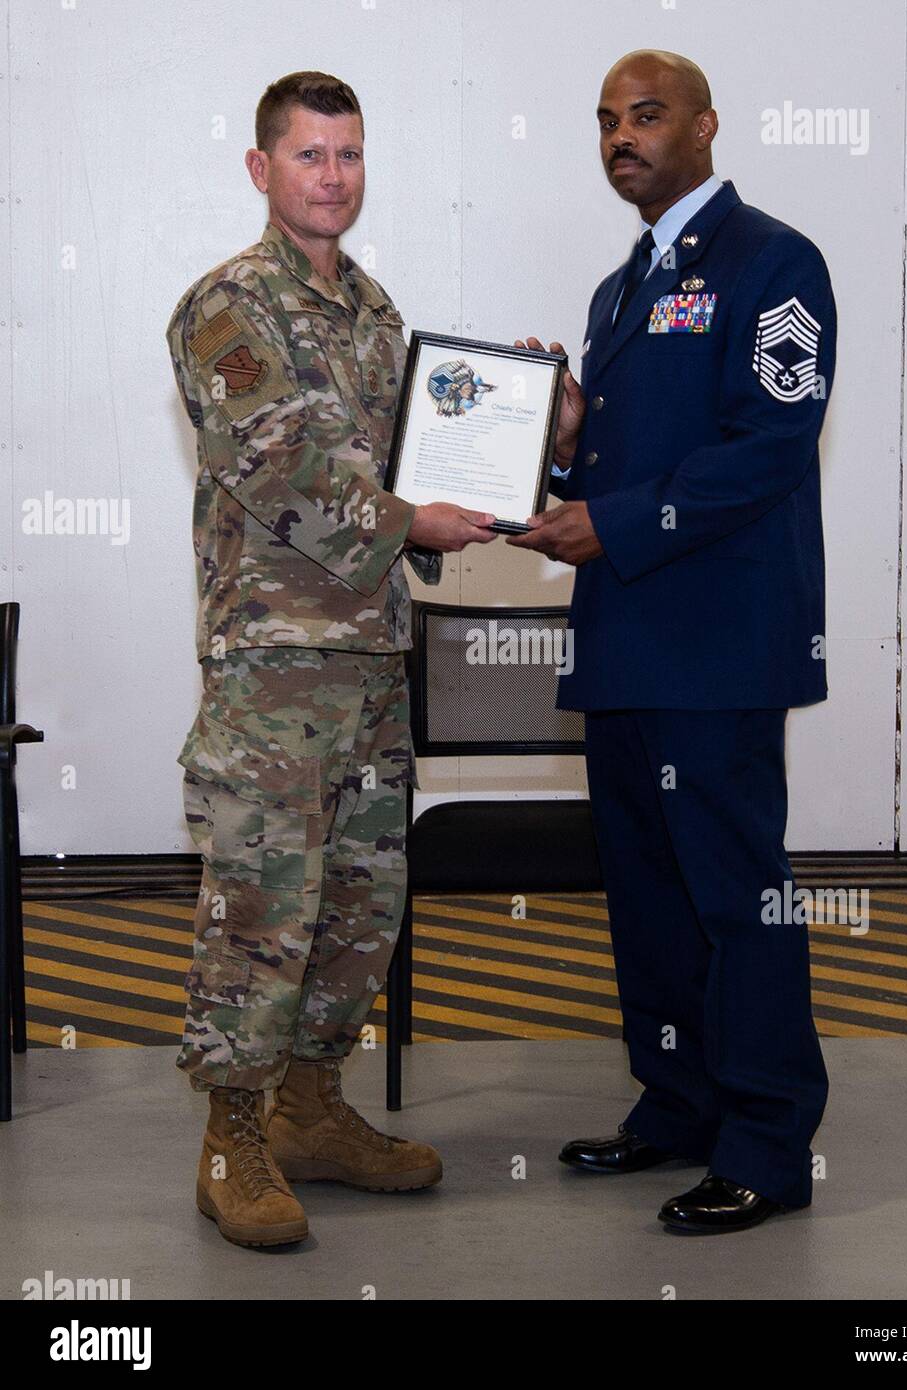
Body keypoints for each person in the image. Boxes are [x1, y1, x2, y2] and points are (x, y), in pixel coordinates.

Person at [167, 71, 496, 1248]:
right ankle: (231, 1134)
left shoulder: (377, 313)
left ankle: (312, 1106)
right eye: (311, 156)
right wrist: (415, 521)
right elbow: (280, 473)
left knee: (360, 906)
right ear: (262, 170)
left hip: (366, 662)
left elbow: (414, 459)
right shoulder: (224, 308)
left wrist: (511, 434)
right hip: (271, 671)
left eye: (350, 155)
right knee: (262, 906)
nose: (334, 177)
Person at [509, 49, 836, 1233]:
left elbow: (768, 443)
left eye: (644, 117)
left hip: (718, 645)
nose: (620, 139)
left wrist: (618, 516)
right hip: (626, 640)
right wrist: (563, 443)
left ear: (703, 127)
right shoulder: (617, 290)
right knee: (646, 896)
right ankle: (677, 1100)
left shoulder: (774, 261)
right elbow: (620, 460)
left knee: (737, 900)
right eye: (604, 121)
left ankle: (762, 1141)